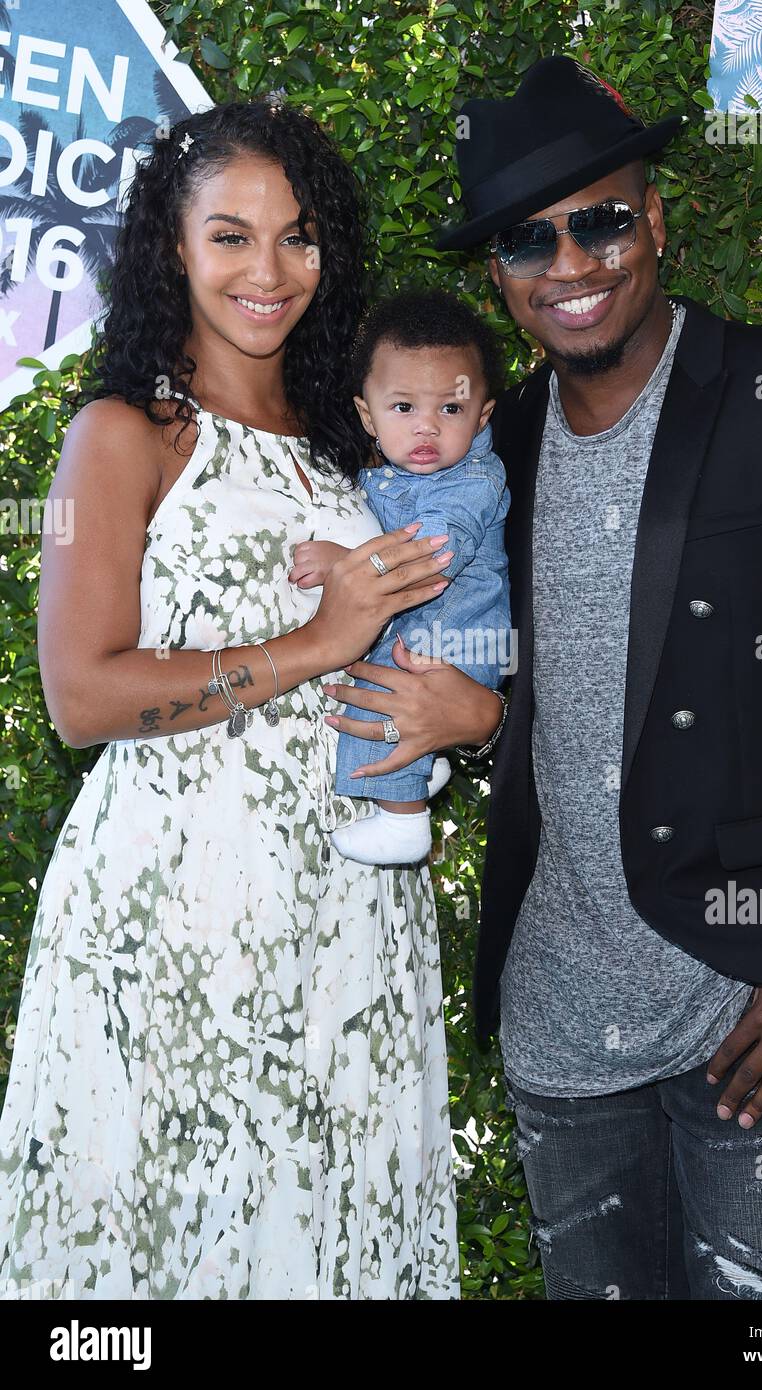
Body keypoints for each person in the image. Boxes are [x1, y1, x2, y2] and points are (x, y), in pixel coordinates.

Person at [431, 54, 762, 1299]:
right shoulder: (494, 449)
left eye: (598, 219)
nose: (571, 264)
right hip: (559, 1036)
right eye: (527, 241)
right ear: (498, 275)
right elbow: (551, 706)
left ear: (654, 215)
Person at [0, 98, 476, 1299]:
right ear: (171, 245)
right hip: (174, 920)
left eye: (298, 236)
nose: (270, 271)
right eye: (231, 236)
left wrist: (471, 712)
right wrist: (316, 641)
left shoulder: (358, 445)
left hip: (352, 918)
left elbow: (452, 640)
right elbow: (80, 695)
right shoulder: (122, 436)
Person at [290, 289, 511, 866]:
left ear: (483, 414)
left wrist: (345, 562)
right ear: (368, 414)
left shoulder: (473, 482)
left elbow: (430, 556)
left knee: (380, 692)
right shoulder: (391, 475)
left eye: (452, 409)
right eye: (404, 408)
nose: (427, 430)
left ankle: (404, 820)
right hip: (431, 636)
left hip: (452, 645)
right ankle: (426, 768)